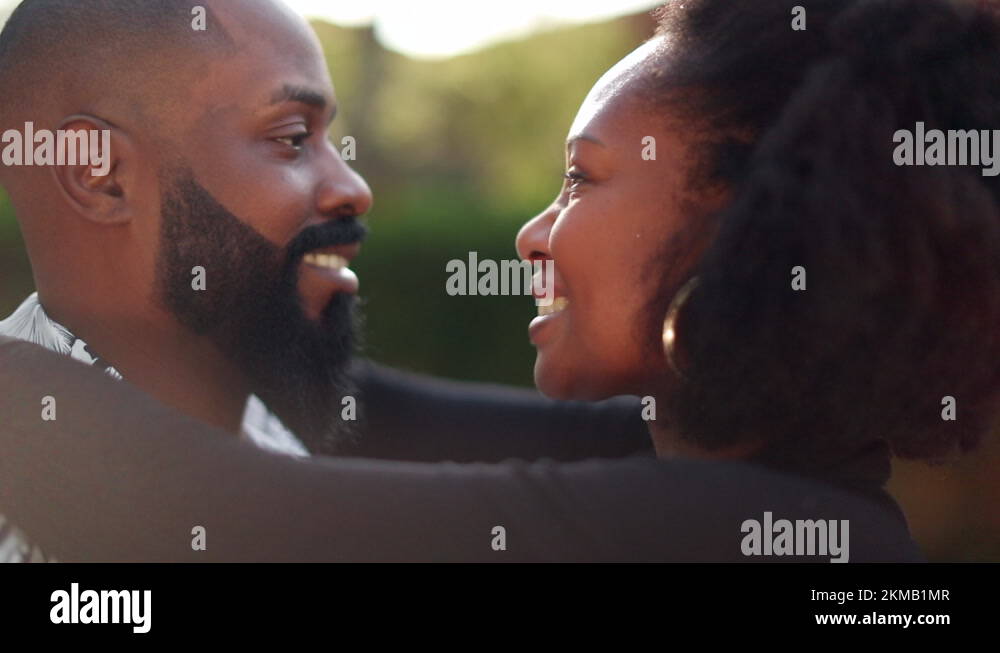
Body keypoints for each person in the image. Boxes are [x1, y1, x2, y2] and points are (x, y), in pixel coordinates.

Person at [2, 0, 998, 562]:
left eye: (581, 178)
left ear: (742, 227)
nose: (531, 232)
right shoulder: (732, 470)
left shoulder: (763, 536)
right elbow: (371, 416)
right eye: (292, 136)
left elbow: (218, 509)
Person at [0, 0, 647, 562]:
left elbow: (612, 445)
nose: (353, 188)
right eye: (290, 139)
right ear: (101, 174)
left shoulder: (262, 398)